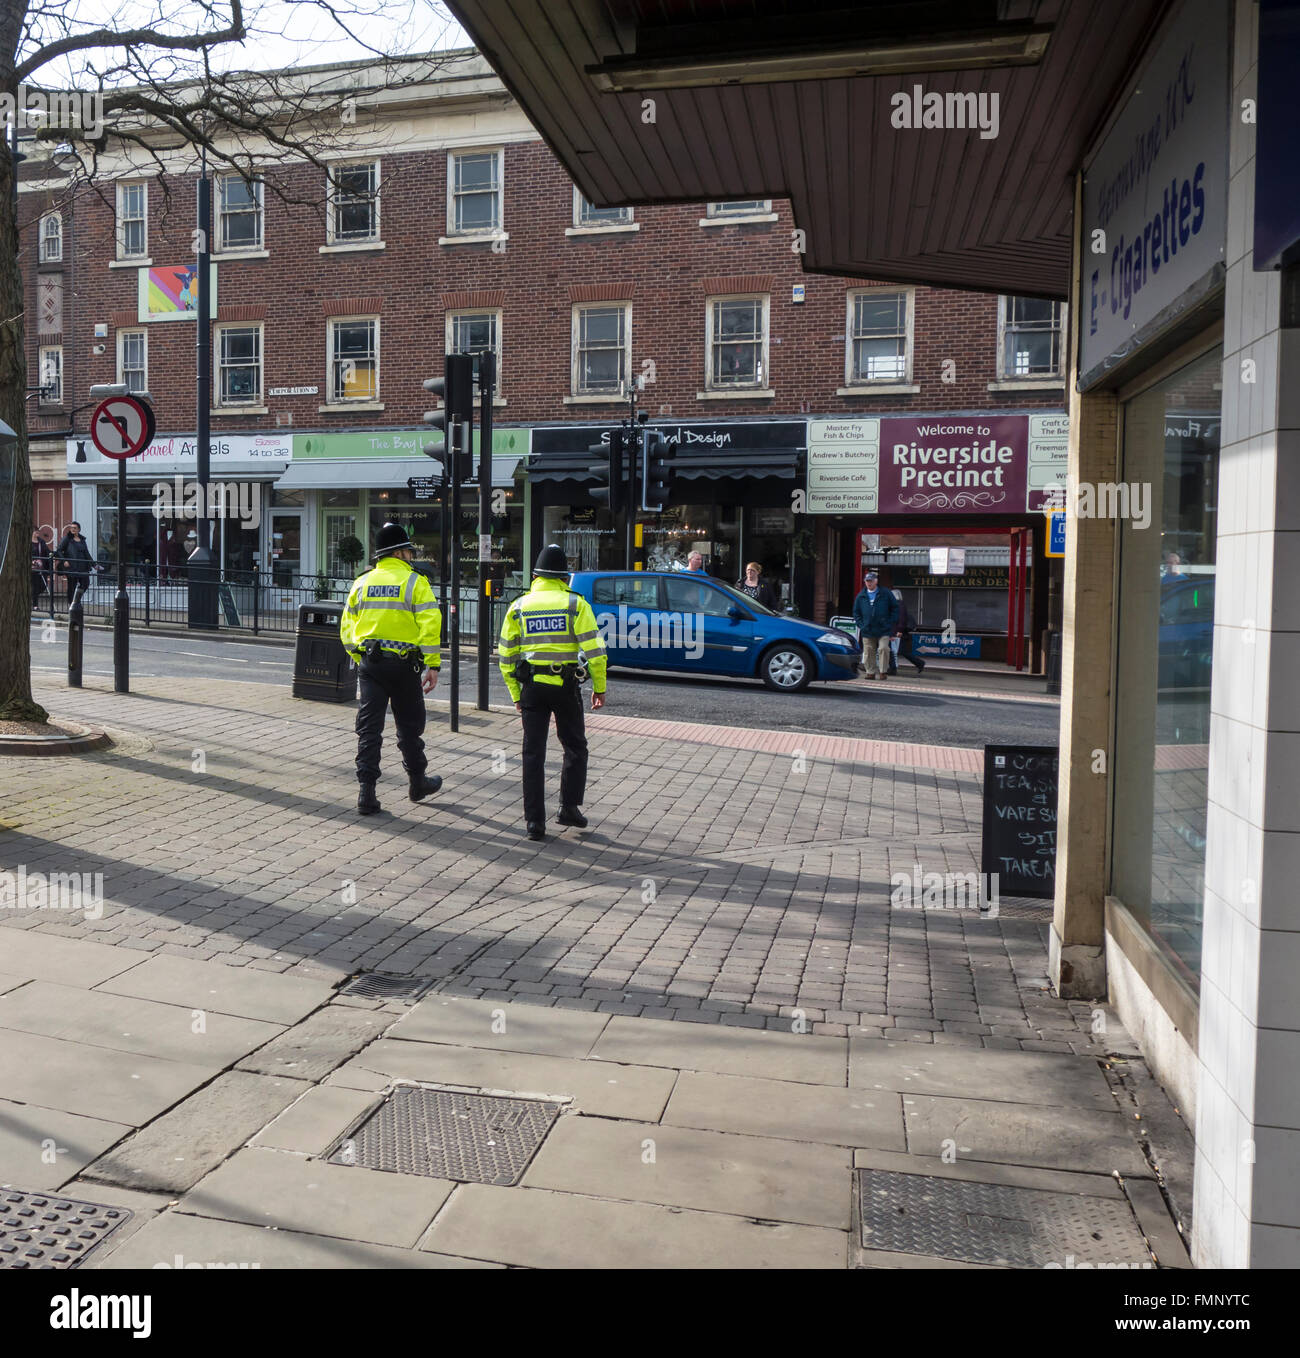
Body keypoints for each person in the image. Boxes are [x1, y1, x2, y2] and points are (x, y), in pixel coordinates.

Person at [499, 543, 608, 841]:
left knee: (532, 753)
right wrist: (600, 687)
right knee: (575, 747)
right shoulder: (575, 604)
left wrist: (515, 693)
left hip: (532, 688)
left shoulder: (519, 606)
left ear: (535, 574)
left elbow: (506, 655)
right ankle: (568, 808)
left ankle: (535, 823)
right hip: (565, 686)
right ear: (563, 577)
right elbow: (595, 652)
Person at [339, 523, 443, 816]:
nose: (411, 556)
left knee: (369, 730)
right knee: (409, 728)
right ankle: (417, 782)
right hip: (404, 666)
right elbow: (431, 625)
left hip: (370, 664)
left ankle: (366, 793)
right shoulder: (414, 582)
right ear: (398, 552)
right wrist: (433, 664)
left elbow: (346, 629)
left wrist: (359, 657)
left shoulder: (361, 583)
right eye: (408, 551)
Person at [852, 568, 899, 680]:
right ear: (865, 582)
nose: (869, 583)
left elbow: (895, 608)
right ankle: (870, 672)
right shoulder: (861, 595)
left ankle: (883, 671)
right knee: (868, 651)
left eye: (871, 581)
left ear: (876, 581)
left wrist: (890, 622)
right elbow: (856, 612)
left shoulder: (886, 593)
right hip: (867, 629)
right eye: (867, 581)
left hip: (883, 628)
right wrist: (861, 624)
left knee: (883, 649)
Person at [55, 522, 94, 606]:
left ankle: (76, 600)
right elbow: (59, 550)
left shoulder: (82, 540)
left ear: (79, 529)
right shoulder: (67, 539)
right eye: (71, 528)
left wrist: (94, 565)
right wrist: (64, 560)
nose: (73, 529)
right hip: (72, 566)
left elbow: (87, 553)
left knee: (85, 584)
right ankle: (71, 604)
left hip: (83, 567)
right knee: (72, 587)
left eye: (75, 528)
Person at [888, 588, 925, 675]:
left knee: (892, 650)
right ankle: (919, 663)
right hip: (899, 632)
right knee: (897, 650)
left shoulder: (898, 605)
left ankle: (893, 669)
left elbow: (901, 619)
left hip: (898, 632)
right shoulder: (898, 604)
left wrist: (898, 630)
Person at [31, 530, 52, 608]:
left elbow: (47, 551)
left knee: (43, 585)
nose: (37, 533)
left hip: (41, 566)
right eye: (35, 531)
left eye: (38, 531)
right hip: (32, 568)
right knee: (35, 585)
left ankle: (31, 596)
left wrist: (52, 554)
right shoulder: (28, 541)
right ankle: (35, 605)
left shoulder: (41, 541)